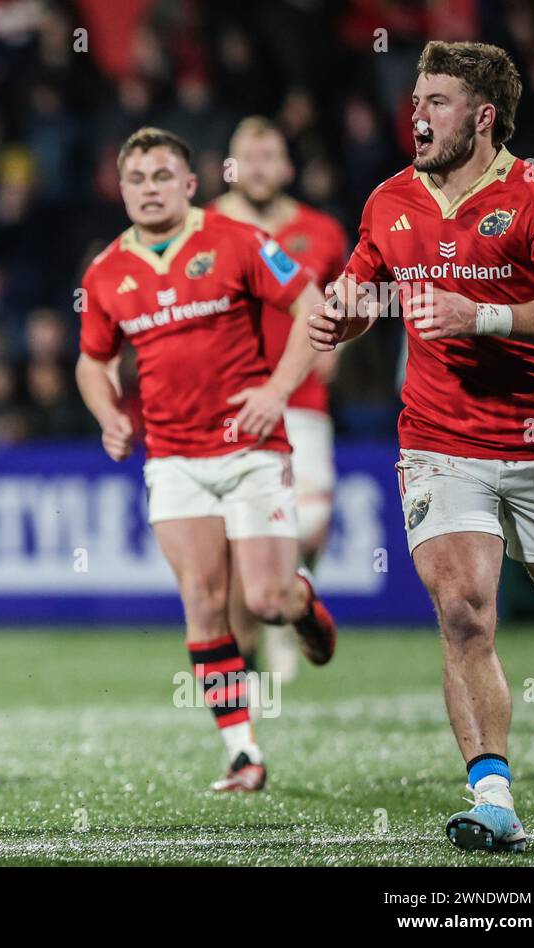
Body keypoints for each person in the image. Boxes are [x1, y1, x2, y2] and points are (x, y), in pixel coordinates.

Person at [308, 41, 534, 853]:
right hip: (439, 441)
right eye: (416, 99)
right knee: (463, 609)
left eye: (437, 102)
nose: (416, 115)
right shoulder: (390, 200)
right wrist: (343, 313)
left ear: (483, 116)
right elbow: (366, 287)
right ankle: (493, 798)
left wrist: (483, 315)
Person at [75, 127, 336, 793]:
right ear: (122, 188)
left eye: (163, 176)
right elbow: (92, 360)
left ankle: (301, 606)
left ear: (191, 184)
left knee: (268, 598)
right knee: (202, 598)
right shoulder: (106, 271)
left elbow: (312, 305)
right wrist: (108, 413)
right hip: (173, 458)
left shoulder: (238, 239)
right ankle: (243, 752)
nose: (150, 189)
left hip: (251, 447)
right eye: (137, 179)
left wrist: (278, 390)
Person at [212, 116, 349, 681]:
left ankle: (292, 601)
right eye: (251, 156)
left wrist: (336, 337)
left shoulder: (322, 231)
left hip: (302, 396)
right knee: (232, 539)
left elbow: (344, 295)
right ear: (230, 166)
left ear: (287, 167)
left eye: (271, 157)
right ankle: (246, 656)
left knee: (310, 523)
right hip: (231, 399)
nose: (261, 167)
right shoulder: (206, 227)